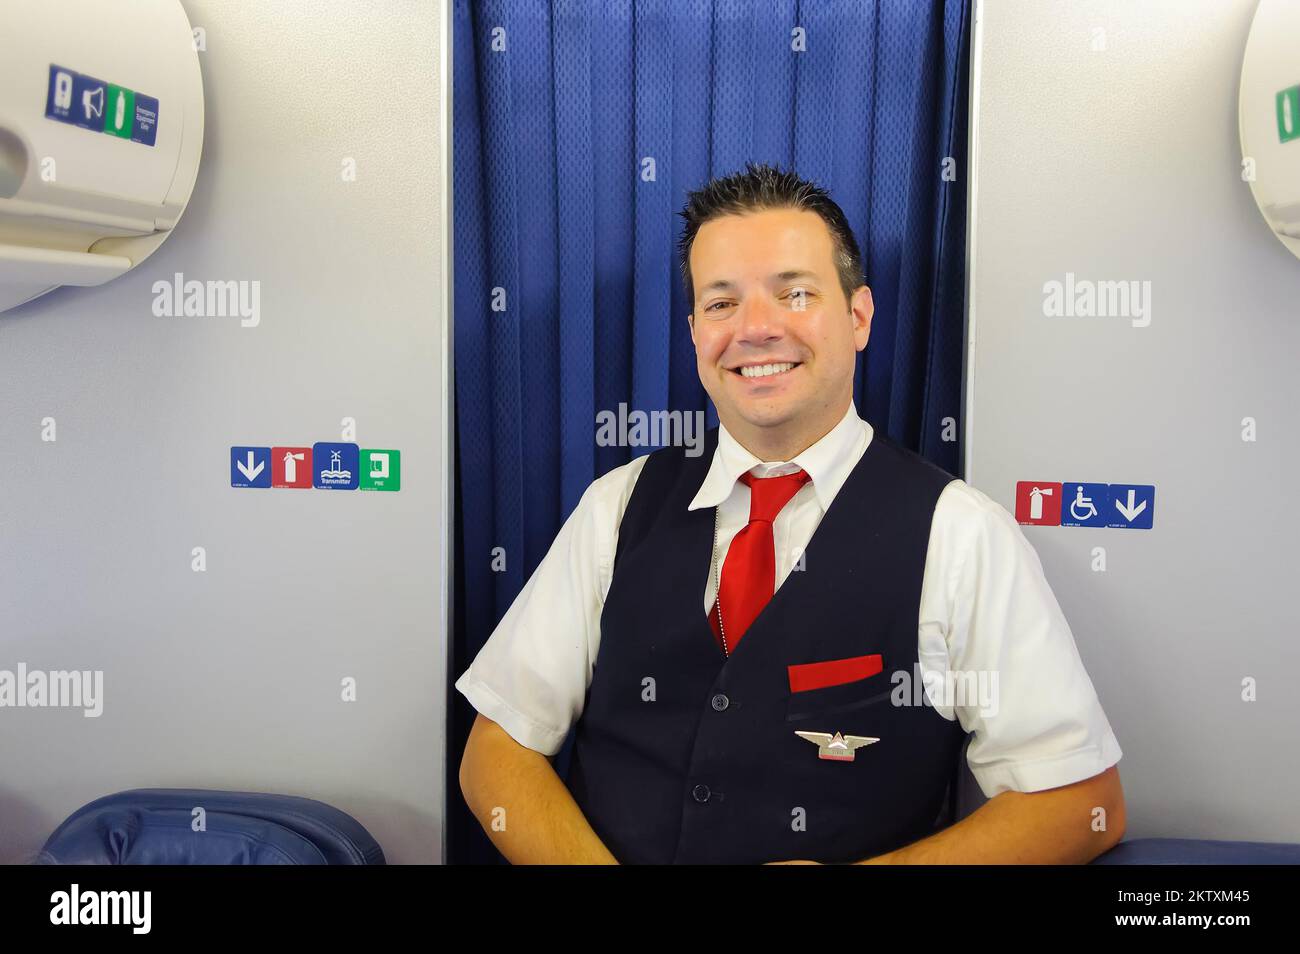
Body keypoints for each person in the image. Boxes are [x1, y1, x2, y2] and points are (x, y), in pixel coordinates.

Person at [456, 162, 1125, 865]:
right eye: (721, 304)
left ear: (859, 317)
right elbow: (496, 752)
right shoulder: (615, 508)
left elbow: (1083, 805)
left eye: (795, 293)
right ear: (693, 333)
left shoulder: (960, 537)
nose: (755, 329)